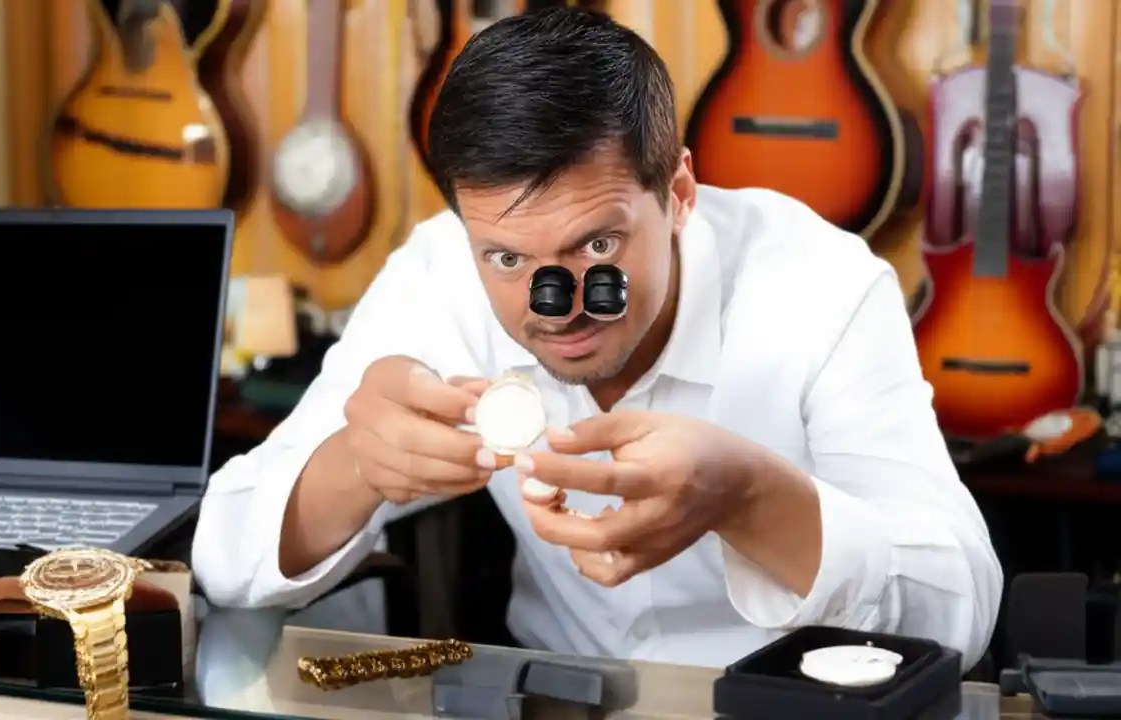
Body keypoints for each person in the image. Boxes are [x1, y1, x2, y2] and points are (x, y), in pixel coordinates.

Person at [192, 7, 1001, 671]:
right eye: (508, 258)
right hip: (552, 694)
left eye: (596, 245)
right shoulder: (438, 272)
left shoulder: (820, 283)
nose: (559, 303)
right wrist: (358, 465)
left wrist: (751, 497)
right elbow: (222, 558)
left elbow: (959, 608)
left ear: (678, 192)